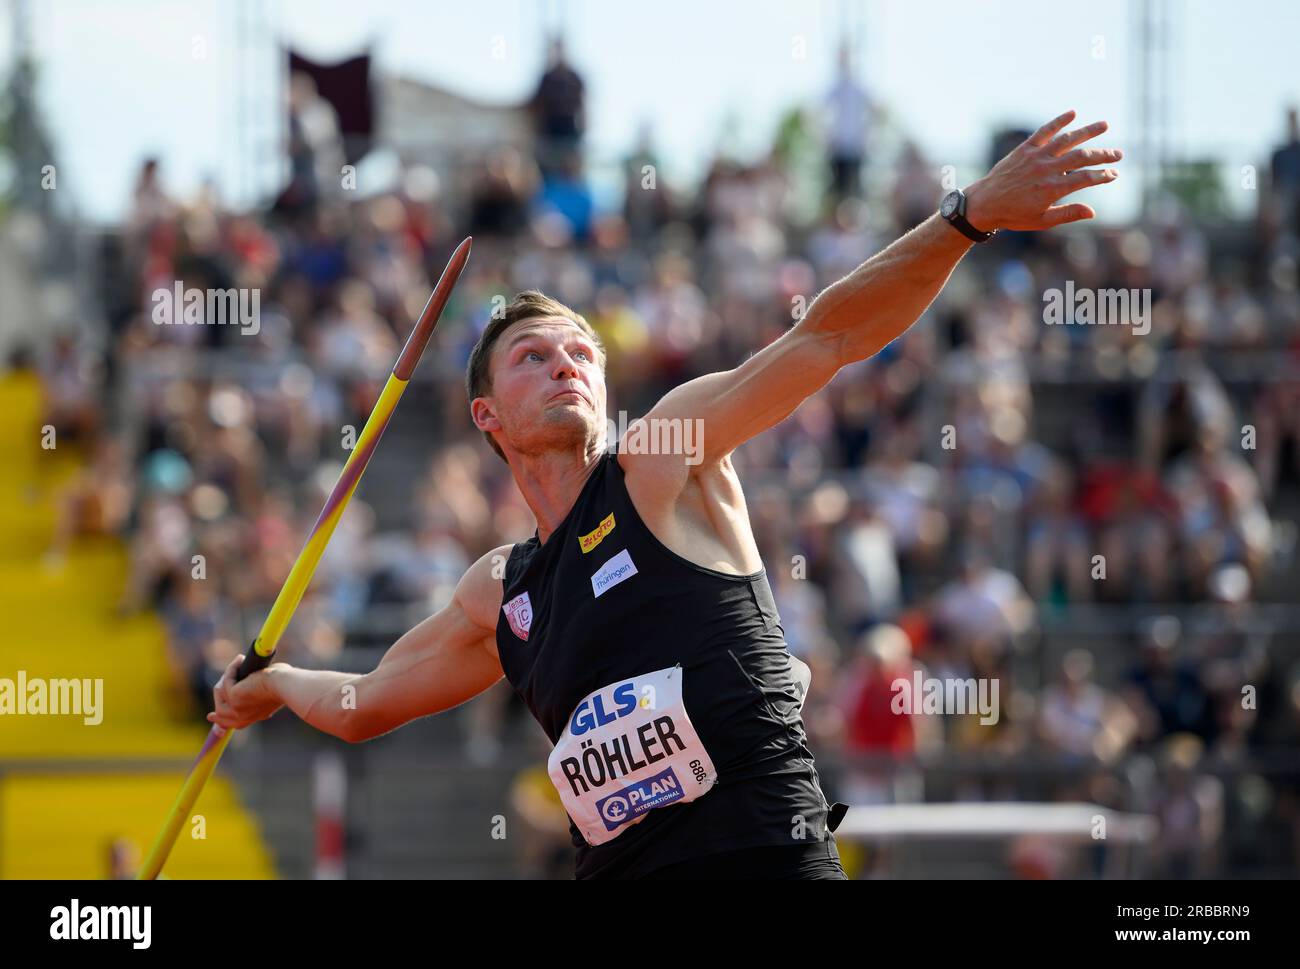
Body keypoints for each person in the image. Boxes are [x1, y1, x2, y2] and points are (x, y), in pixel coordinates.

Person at [209, 110, 1123, 879]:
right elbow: (367, 702)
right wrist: (277, 683)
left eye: (580, 353)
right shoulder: (501, 594)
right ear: (486, 414)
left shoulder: (660, 459)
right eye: (535, 356)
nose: (567, 364)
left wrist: (966, 219)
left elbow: (827, 340)